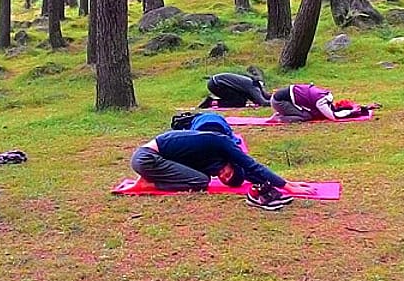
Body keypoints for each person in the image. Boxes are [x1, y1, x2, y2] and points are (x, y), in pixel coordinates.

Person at [130, 128, 312, 210]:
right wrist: (287, 185)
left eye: (224, 179)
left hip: (148, 160)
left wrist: (264, 184)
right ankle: (150, 183)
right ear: (231, 163)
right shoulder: (222, 143)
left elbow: (250, 174)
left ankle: (148, 178)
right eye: (228, 173)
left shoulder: (211, 160)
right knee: (201, 181)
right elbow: (251, 165)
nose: (223, 176)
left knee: (201, 178)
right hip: (147, 158)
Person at [270, 83, 367, 123]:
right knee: (306, 117)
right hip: (279, 101)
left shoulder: (323, 95)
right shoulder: (321, 102)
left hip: (284, 98)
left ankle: (284, 113)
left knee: (308, 114)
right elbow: (332, 117)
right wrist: (351, 112)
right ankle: (279, 118)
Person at [198, 70, 271, 109]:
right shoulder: (253, 86)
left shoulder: (250, 83)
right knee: (239, 102)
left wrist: (275, 97)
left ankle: (211, 101)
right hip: (217, 84)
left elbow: (264, 96)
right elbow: (263, 102)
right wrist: (276, 103)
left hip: (216, 82)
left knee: (242, 99)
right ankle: (211, 102)